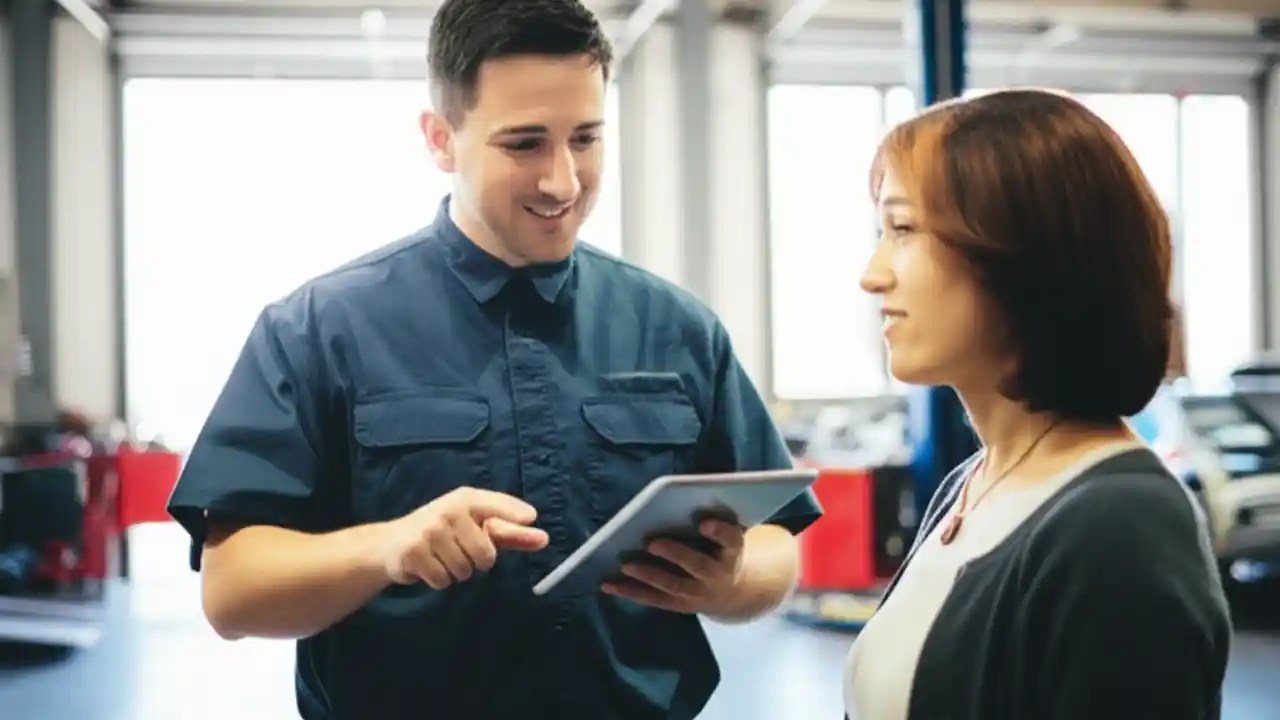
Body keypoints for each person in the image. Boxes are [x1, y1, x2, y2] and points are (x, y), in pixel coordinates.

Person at [166, 1, 821, 718]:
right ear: (441, 139)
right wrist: (386, 549)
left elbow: (776, 544)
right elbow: (232, 590)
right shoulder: (318, 331)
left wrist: (730, 581)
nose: (564, 182)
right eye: (525, 144)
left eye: (586, 138)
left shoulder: (681, 330)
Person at [844, 89, 1231, 720]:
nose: (873, 273)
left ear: (1021, 257)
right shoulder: (972, 486)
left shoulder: (1119, 525)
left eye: (905, 229)